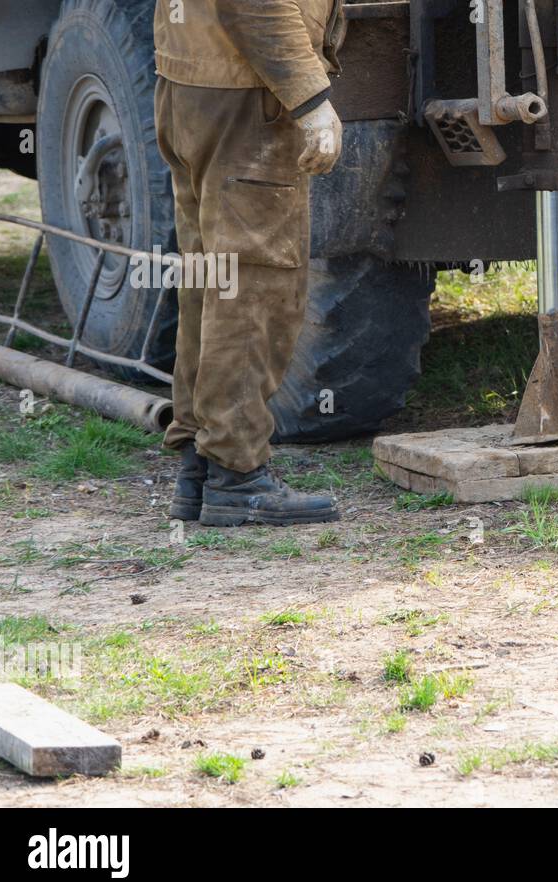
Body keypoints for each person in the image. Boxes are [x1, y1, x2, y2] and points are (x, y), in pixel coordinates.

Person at [153, 0, 345, 526]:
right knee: (254, 285)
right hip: (248, 93)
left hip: (197, 82)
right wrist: (310, 99)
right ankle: (236, 472)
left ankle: (202, 461)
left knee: (211, 278)